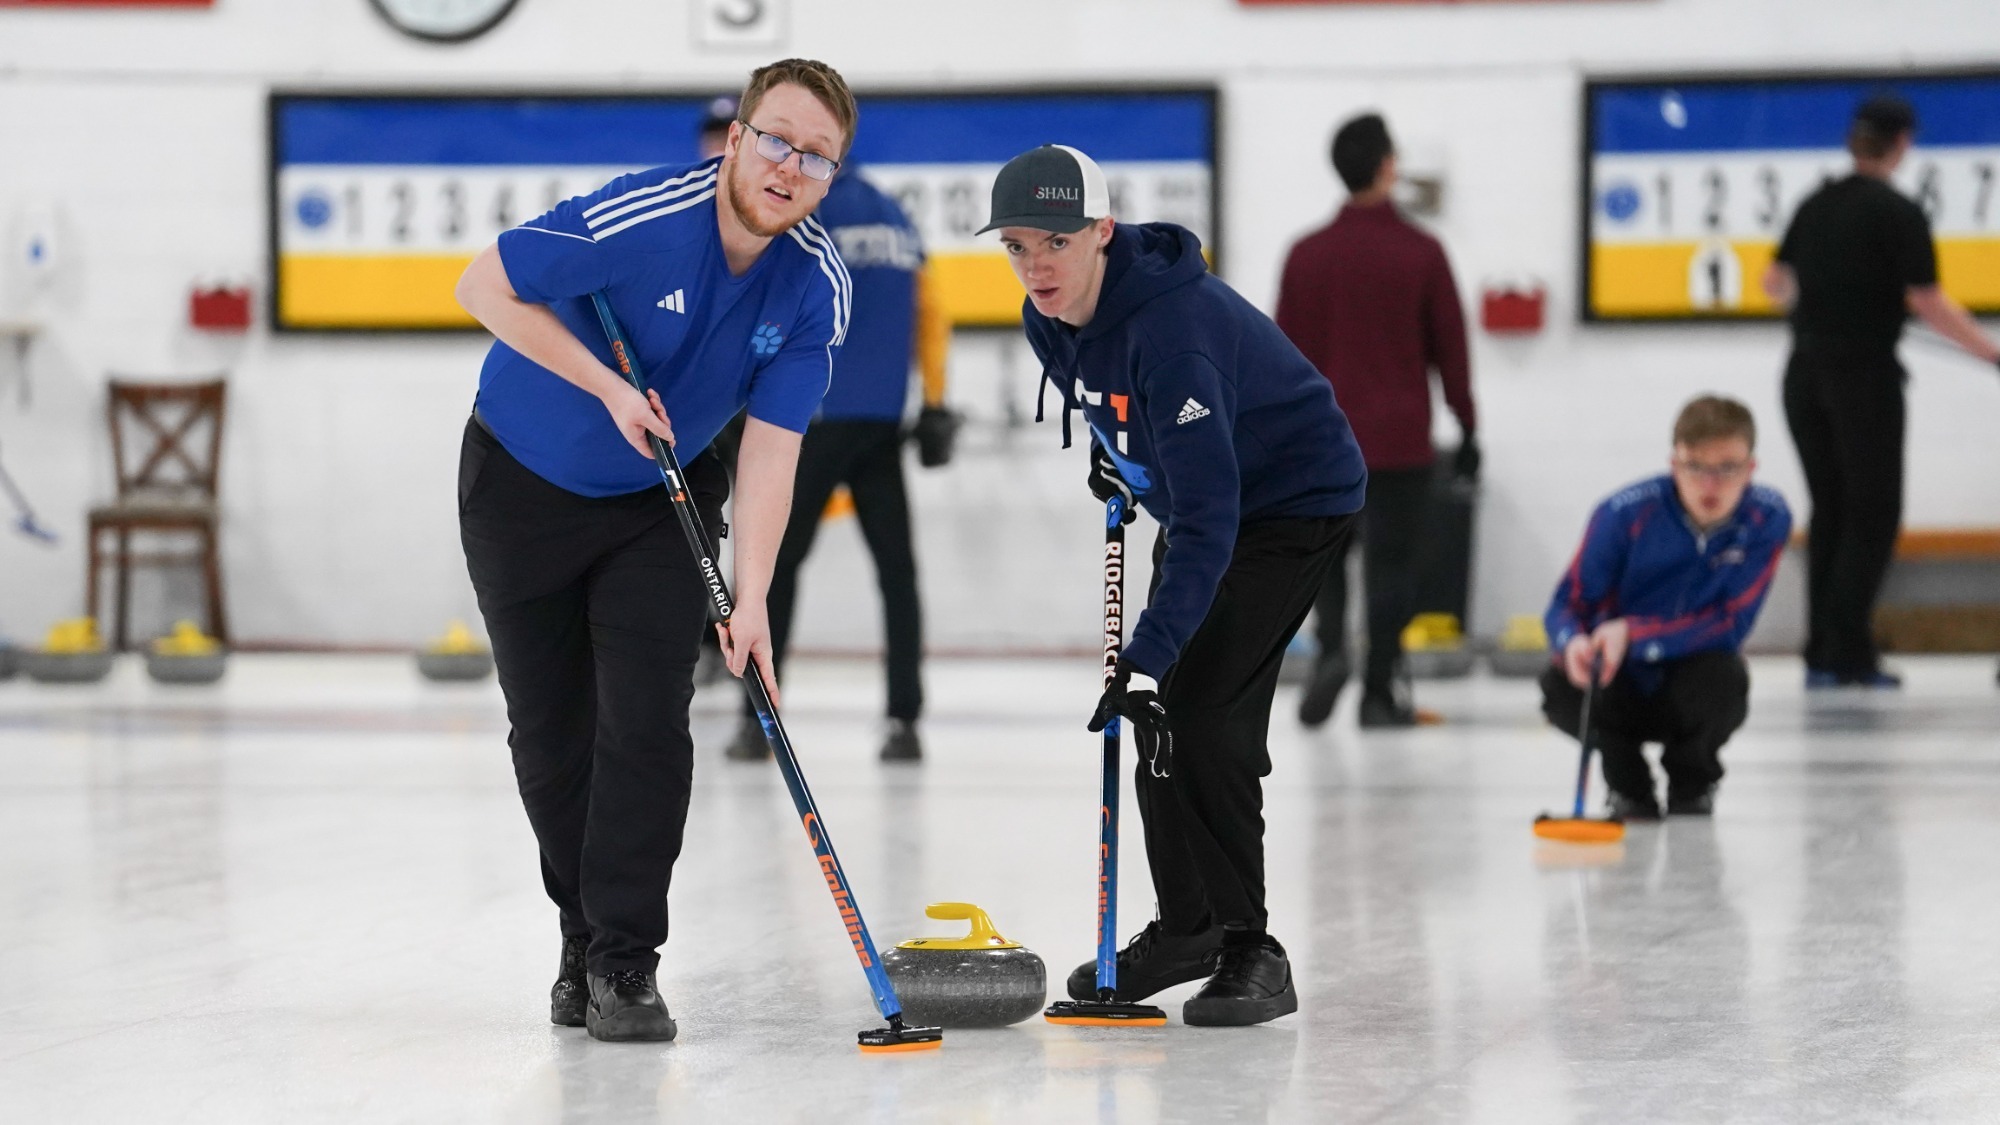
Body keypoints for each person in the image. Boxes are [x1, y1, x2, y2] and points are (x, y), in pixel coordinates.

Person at [452, 58, 856, 1043]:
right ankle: (579, 933)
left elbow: (770, 452)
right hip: (518, 484)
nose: (788, 164)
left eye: (816, 155)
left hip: (655, 501)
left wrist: (751, 596)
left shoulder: (814, 287)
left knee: (646, 727)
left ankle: (625, 962)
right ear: (737, 134)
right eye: (774, 136)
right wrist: (605, 385)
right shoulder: (641, 219)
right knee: (551, 741)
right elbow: (483, 286)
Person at [984, 144, 1367, 1026]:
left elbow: (1211, 520)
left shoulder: (1176, 333)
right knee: (1151, 710)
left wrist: (1150, 656)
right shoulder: (1047, 314)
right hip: (1206, 504)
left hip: (1289, 506)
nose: (1036, 266)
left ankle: (1250, 946)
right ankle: (1189, 926)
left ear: (1103, 233)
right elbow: (1109, 403)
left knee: (1201, 714)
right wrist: (1123, 465)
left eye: (1055, 242)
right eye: (1016, 246)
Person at [724, 152, 957, 763]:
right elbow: (933, 312)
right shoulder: (894, 216)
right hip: (881, 420)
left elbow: (764, 302)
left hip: (812, 419)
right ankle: (904, 722)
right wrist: (933, 401)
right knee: (897, 574)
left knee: (771, 570)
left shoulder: (803, 209)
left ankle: (759, 722)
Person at [1763, 93, 2000, 688]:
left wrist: (1829, 302)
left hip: (1803, 375)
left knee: (1832, 510)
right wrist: (1992, 352)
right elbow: (1929, 302)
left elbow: (1774, 283)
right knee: (1871, 513)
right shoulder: (1897, 212)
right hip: (1861, 380)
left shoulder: (1816, 203)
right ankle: (1849, 653)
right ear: (1902, 144)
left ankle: (1822, 652)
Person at [1275, 112, 1477, 729]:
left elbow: (1281, 356)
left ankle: (1334, 649)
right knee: (1393, 565)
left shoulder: (1306, 255)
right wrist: (1468, 427)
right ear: (1389, 166)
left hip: (1320, 445)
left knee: (1327, 561)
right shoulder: (1422, 251)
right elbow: (1452, 348)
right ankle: (1379, 690)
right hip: (1397, 441)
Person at [1539, 397, 1791, 820]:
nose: (1709, 485)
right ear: (1674, 464)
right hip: (1618, 679)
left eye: (1727, 468)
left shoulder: (1767, 518)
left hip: (1692, 677)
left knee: (1726, 680)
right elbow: (1565, 605)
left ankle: (1693, 783)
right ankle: (1627, 784)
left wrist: (1634, 634)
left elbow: (1730, 622)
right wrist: (1574, 643)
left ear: (1751, 468)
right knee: (1559, 685)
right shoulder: (1622, 514)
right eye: (1695, 467)